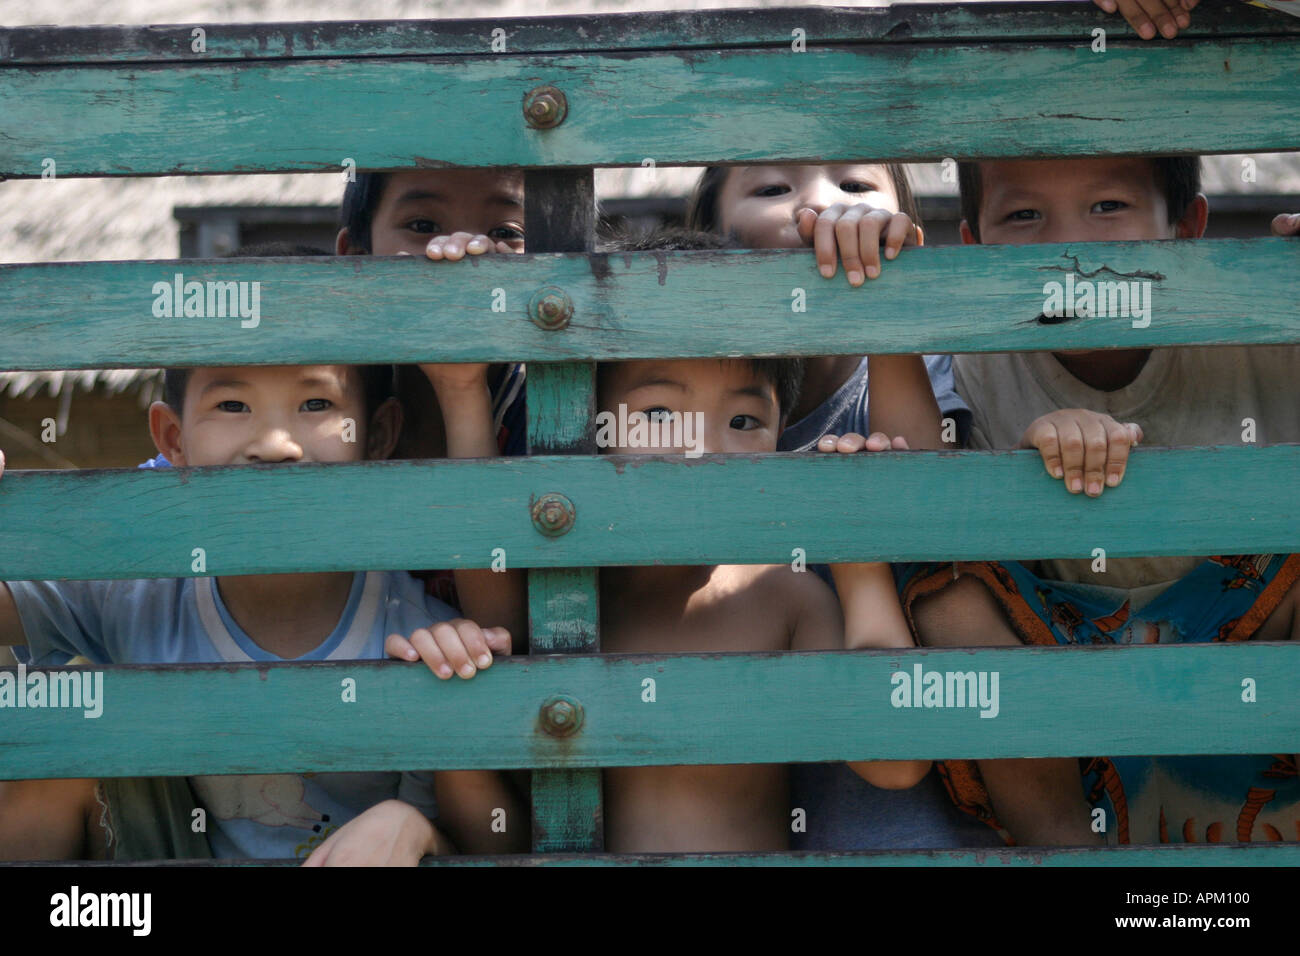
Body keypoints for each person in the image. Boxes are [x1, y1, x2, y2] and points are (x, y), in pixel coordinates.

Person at [902, 154, 1300, 846]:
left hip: (1256, 672)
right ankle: (1069, 858)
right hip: (1067, 704)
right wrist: (1025, 481)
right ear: (972, 248)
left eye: (1108, 206)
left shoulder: (1266, 333)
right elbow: (915, 513)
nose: (1069, 248)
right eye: (1024, 215)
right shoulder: (968, 368)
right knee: (949, 594)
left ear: (1186, 226)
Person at [0, 358, 523, 863]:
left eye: (315, 402)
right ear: (173, 439)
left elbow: (499, 845)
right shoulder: (135, 590)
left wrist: (415, 826)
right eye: (232, 405)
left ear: (378, 435)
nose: (275, 446)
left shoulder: (416, 634)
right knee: (64, 717)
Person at [689, 166, 1003, 849]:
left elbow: (924, 510)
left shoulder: (924, 367)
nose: (823, 205)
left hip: (918, 823)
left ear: (907, 228)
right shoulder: (690, 404)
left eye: (858, 188)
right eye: (773, 190)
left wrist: (887, 311)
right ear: (710, 242)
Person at [594, 227, 929, 852]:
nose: (709, 449)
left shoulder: (782, 593)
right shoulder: (565, 590)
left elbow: (896, 761)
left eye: (744, 420)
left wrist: (856, 557)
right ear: (592, 424)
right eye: (662, 415)